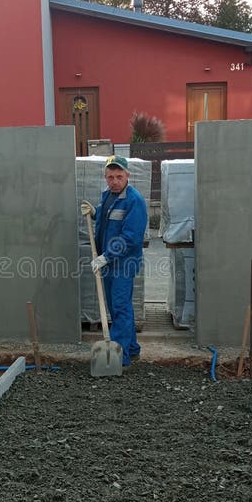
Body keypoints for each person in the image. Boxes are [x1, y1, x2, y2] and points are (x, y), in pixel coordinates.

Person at [81, 155, 148, 367]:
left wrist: (105, 256)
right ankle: (132, 348)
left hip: (122, 263)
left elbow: (131, 237)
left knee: (119, 307)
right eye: (110, 177)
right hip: (109, 262)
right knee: (118, 307)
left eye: (119, 176)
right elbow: (105, 218)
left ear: (127, 175)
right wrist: (93, 213)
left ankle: (120, 359)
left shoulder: (134, 201)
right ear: (105, 177)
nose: (115, 181)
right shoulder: (108, 196)